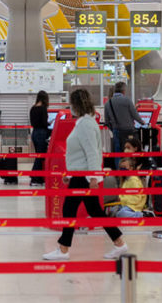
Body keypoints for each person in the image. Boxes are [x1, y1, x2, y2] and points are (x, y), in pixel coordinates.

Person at [43, 89, 127, 261]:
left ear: (76, 105)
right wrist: (70, 173)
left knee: (70, 209)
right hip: (79, 174)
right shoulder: (84, 122)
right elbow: (80, 153)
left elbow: (92, 153)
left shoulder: (86, 124)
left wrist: (94, 177)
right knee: (94, 210)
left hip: (84, 176)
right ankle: (119, 243)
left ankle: (63, 249)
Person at [104, 82, 145, 169]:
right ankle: (131, 172)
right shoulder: (127, 100)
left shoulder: (108, 103)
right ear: (124, 90)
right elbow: (135, 115)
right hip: (129, 131)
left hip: (117, 132)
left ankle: (120, 175)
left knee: (118, 154)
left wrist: (114, 129)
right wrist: (143, 123)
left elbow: (107, 121)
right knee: (131, 153)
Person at [29, 90, 51, 186]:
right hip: (42, 133)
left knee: (38, 155)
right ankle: (34, 177)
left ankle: (37, 177)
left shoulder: (32, 108)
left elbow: (33, 123)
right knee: (40, 156)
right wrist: (48, 124)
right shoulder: (43, 109)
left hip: (34, 133)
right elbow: (44, 123)